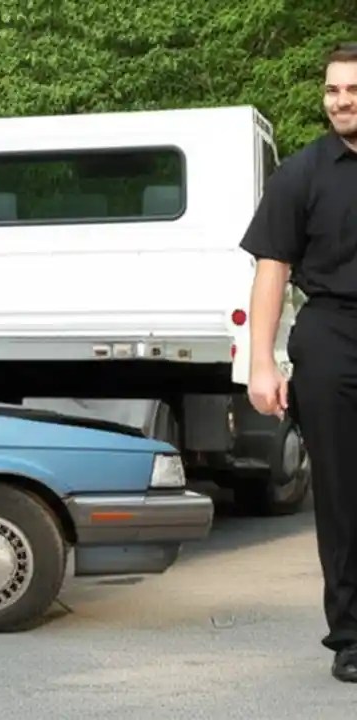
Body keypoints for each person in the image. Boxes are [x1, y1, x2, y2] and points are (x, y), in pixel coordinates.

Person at [241, 41, 357, 683]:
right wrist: (262, 363)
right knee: (341, 493)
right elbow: (271, 269)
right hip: (331, 335)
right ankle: (351, 636)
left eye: (353, 90)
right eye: (333, 90)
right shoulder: (303, 173)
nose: (341, 101)